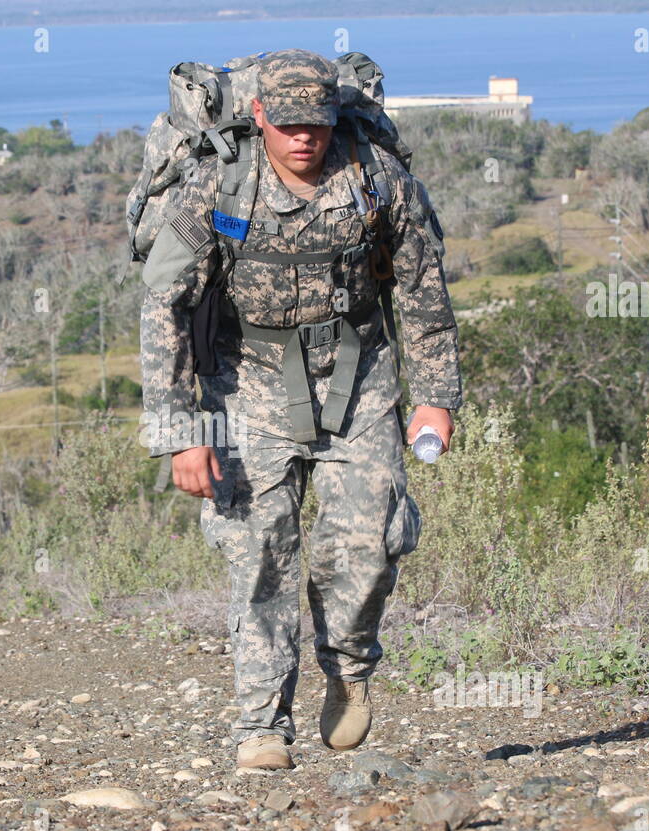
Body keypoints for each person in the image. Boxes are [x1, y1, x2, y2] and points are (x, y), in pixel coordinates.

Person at [139, 49, 462, 770]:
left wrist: (436, 398)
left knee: (368, 546)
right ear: (260, 117)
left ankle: (348, 672)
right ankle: (262, 725)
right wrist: (180, 430)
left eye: (315, 122)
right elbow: (166, 304)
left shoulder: (377, 181)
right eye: (286, 124)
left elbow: (423, 293)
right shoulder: (218, 187)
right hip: (244, 385)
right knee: (261, 557)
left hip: (360, 380)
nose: (303, 138)